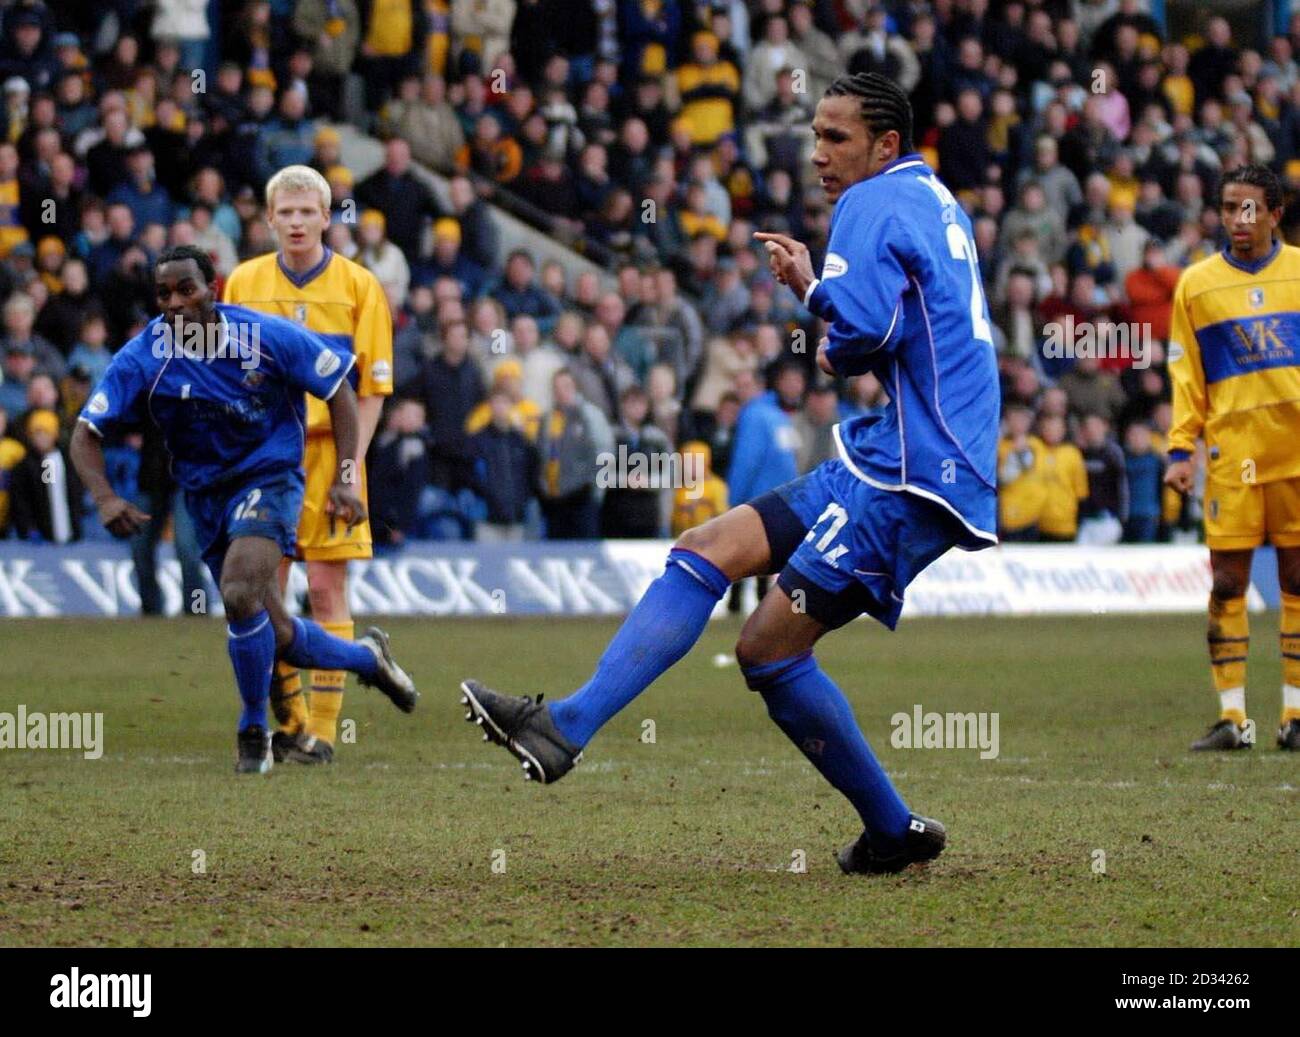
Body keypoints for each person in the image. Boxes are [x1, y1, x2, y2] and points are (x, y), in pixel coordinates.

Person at [459, 74, 1000, 875]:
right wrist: (838, 326)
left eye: (837, 138)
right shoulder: (936, 201)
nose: (818, 154)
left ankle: (889, 828)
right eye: (815, 135)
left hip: (914, 475)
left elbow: (866, 325)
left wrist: (812, 290)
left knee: (766, 650)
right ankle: (564, 725)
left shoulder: (870, 202)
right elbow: (901, 327)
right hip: (891, 452)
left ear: (886, 145)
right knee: (708, 545)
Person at [69, 246, 417, 773]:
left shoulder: (264, 336)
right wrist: (105, 497)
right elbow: (84, 434)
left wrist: (347, 477)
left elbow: (341, 391)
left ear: (214, 288)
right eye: (163, 294)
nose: (175, 303)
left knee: (237, 592)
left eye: (186, 289)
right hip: (205, 496)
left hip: (270, 478)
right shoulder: (145, 354)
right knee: (273, 629)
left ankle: (253, 729)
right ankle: (367, 658)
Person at [223, 165, 394, 765]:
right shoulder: (243, 284)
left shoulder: (359, 287)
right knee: (268, 589)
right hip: (266, 456)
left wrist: (351, 468)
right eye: (285, 213)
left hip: (332, 456)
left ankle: (321, 732)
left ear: (326, 218)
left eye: (307, 212)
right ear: (269, 220)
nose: (296, 222)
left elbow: (371, 390)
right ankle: (291, 718)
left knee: (327, 587)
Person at [1164, 164, 1300, 752]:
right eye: (1227, 208)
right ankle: (1232, 716)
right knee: (1226, 581)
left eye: (1249, 208)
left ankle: (1295, 715)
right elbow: (1186, 375)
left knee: (1298, 579)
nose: (1238, 220)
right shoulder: (1196, 285)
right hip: (1231, 456)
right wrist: (1179, 447)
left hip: (1295, 454)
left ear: (1276, 213)